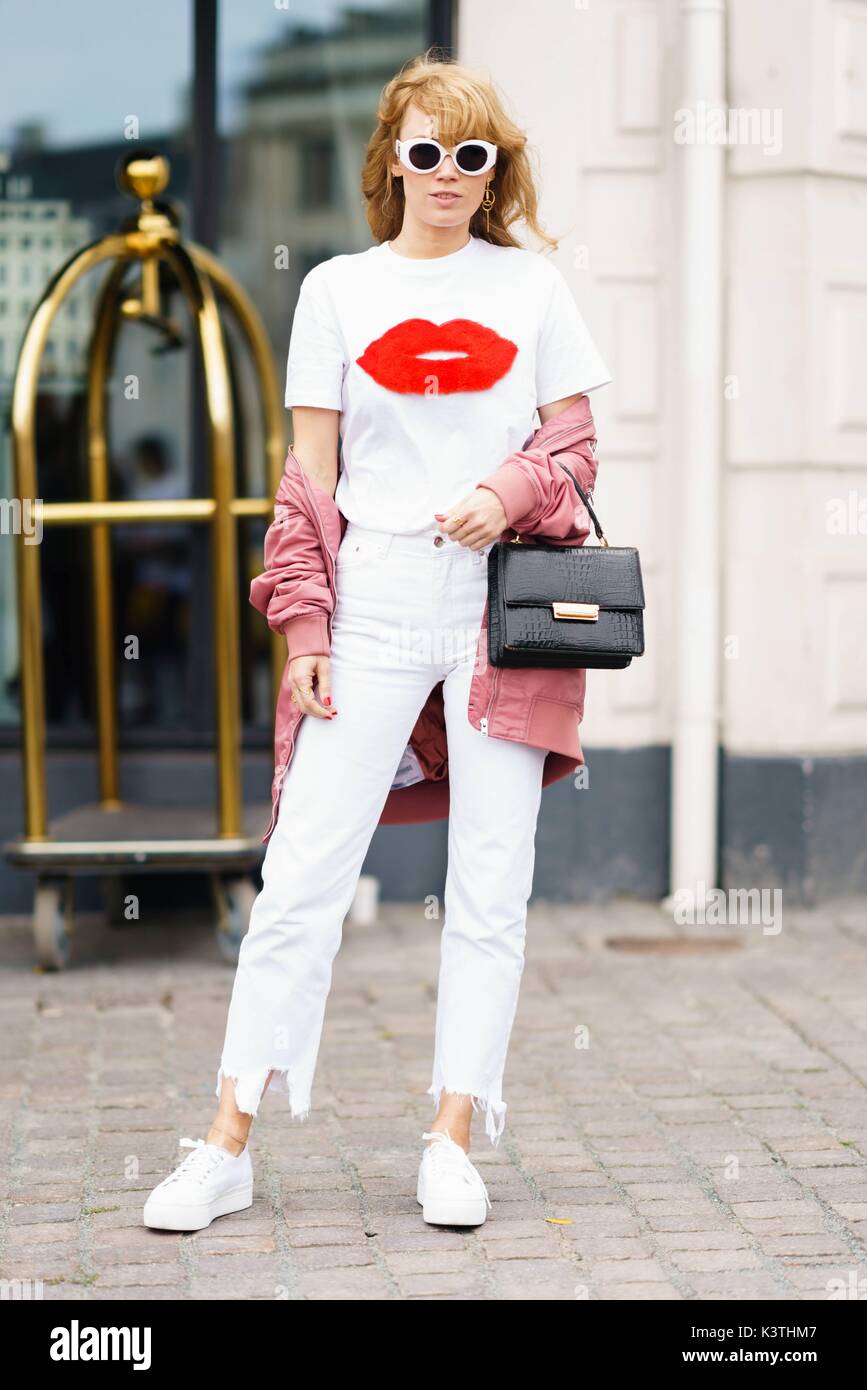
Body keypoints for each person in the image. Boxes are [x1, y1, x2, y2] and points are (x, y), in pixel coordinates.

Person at [143, 51, 611, 1234]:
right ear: (391, 160)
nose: (449, 173)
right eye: (427, 150)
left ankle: (455, 1134)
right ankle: (227, 1137)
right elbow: (308, 484)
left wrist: (506, 490)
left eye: (473, 153)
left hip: (499, 613)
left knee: (490, 882)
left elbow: (576, 451)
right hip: (372, 599)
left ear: (492, 167)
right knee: (301, 876)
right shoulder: (340, 291)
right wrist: (304, 622)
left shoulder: (534, 291)